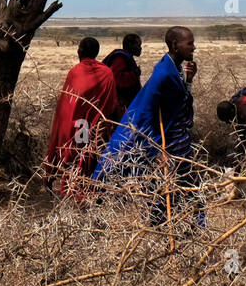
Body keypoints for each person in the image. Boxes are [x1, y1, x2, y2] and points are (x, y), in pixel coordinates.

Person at [93, 26, 202, 226]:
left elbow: (179, 102)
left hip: (178, 140)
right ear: (175, 45)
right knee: (175, 187)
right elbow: (148, 112)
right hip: (168, 141)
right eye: (190, 43)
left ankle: (182, 227)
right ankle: (172, 228)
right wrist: (157, 147)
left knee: (176, 187)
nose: (194, 47)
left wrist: (188, 81)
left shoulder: (174, 68)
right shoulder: (164, 75)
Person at [43, 37, 122, 199]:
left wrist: (62, 125)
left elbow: (66, 104)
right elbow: (111, 103)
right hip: (94, 126)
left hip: (74, 124)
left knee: (73, 154)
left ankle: (71, 185)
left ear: (80, 51)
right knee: (89, 156)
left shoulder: (75, 72)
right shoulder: (107, 72)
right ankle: (87, 188)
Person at [102, 33, 143, 113]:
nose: (140, 48)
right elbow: (115, 78)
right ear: (130, 45)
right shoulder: (120, 58)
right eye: (138, 45)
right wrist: (134, 74)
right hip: (120, 105)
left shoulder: (126, 57)